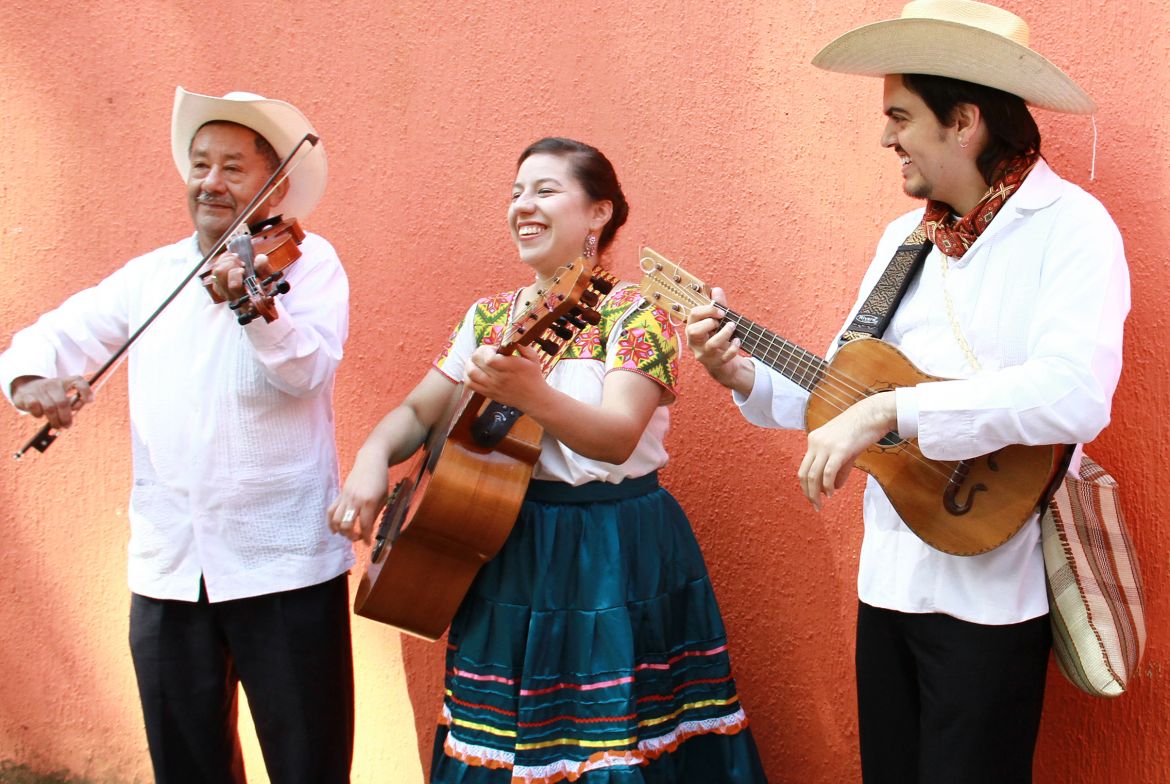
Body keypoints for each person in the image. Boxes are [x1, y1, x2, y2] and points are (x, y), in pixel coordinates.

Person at [686, 2, 1128, 782]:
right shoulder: (903, 243)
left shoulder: (1073, 227)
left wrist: (898, 410)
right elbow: (840, 388)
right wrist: (742, 374)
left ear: (963, 121)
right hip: (890, 585)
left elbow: (1075, 392)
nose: (884, 137)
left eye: (899, 115)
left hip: (990, 593)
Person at [331, 137, 767, 783]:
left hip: (614, 547)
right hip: (505, 544)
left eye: (545, 190)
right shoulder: (489, 319)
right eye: (515, 193)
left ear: (599, 214)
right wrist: (371, 459)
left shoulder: (636, 313)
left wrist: (531, 393)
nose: (523, 206)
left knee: (615, 735)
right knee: (511, 736)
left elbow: (617, 437)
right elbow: (419, 414)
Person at [0, 88, 354, 782]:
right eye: (200, 165)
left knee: (308, 763)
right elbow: (48, 338)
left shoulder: (309, 268)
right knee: (186, 767)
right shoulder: (150, 276)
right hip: (168, 569)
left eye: (233, 168)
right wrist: (31, 383)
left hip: (280, 564)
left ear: (275, 183)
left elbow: (308, 370)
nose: (211, 183)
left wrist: (256, 310)